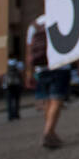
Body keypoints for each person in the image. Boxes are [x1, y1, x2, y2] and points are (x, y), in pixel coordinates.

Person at [29, 18, 68, 148]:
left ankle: (51, 131)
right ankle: (48, 132)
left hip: (41, 67)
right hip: (60, 65)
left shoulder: (35, 24)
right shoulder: (60, 17)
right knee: (57, 99)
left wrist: (28, 72)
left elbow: (28, 50)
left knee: (47, 102)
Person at [3, 56, 24, 121]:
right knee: (17, 100)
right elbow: (21, 72)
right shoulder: (18, 63)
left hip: (7, 85)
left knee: (9, 101)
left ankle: (10, 115)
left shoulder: (3, 63)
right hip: (16, 83)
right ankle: (16, 114)